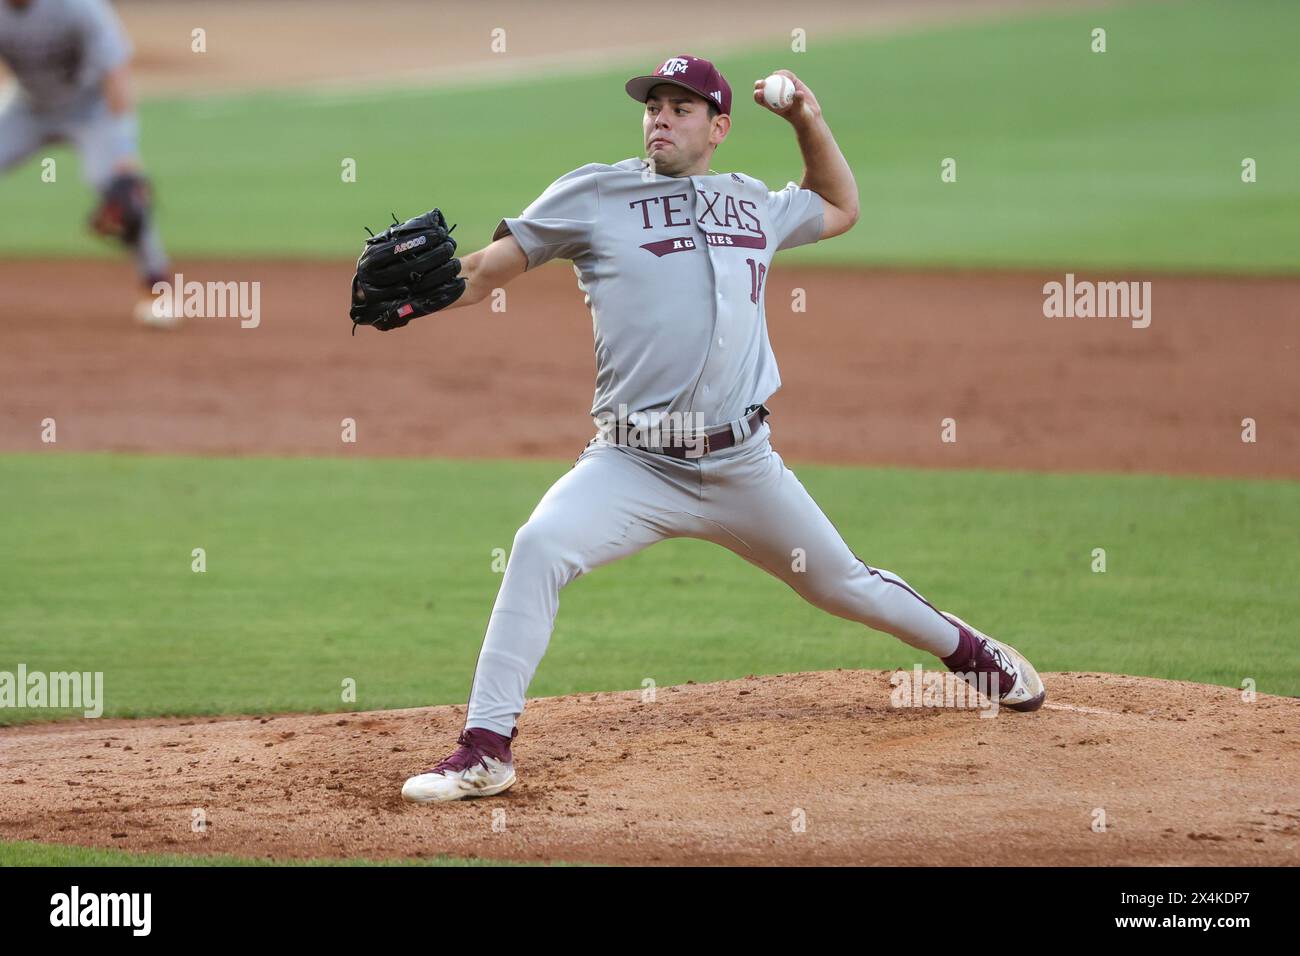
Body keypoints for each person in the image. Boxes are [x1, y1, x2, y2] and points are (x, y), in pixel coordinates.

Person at [398, 54, 1045, 803]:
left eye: (681, 107)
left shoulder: (753, 204)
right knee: (541, 545)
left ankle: (973, 653)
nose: (661, 117)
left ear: (719, 127)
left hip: (743, 466)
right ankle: (485, 751)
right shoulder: (596, 191)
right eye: (653, 106)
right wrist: (424, 299)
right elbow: (486, 271)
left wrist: (807, 119)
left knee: (845, 586)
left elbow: (839, 206)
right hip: (631, 466)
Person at [0, 0, 174, 326]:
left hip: (91, 111)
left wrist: (124, 153)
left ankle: (158, 287)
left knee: (123, 192)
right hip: (29, 110)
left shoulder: (77, 7)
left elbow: (116, 71)